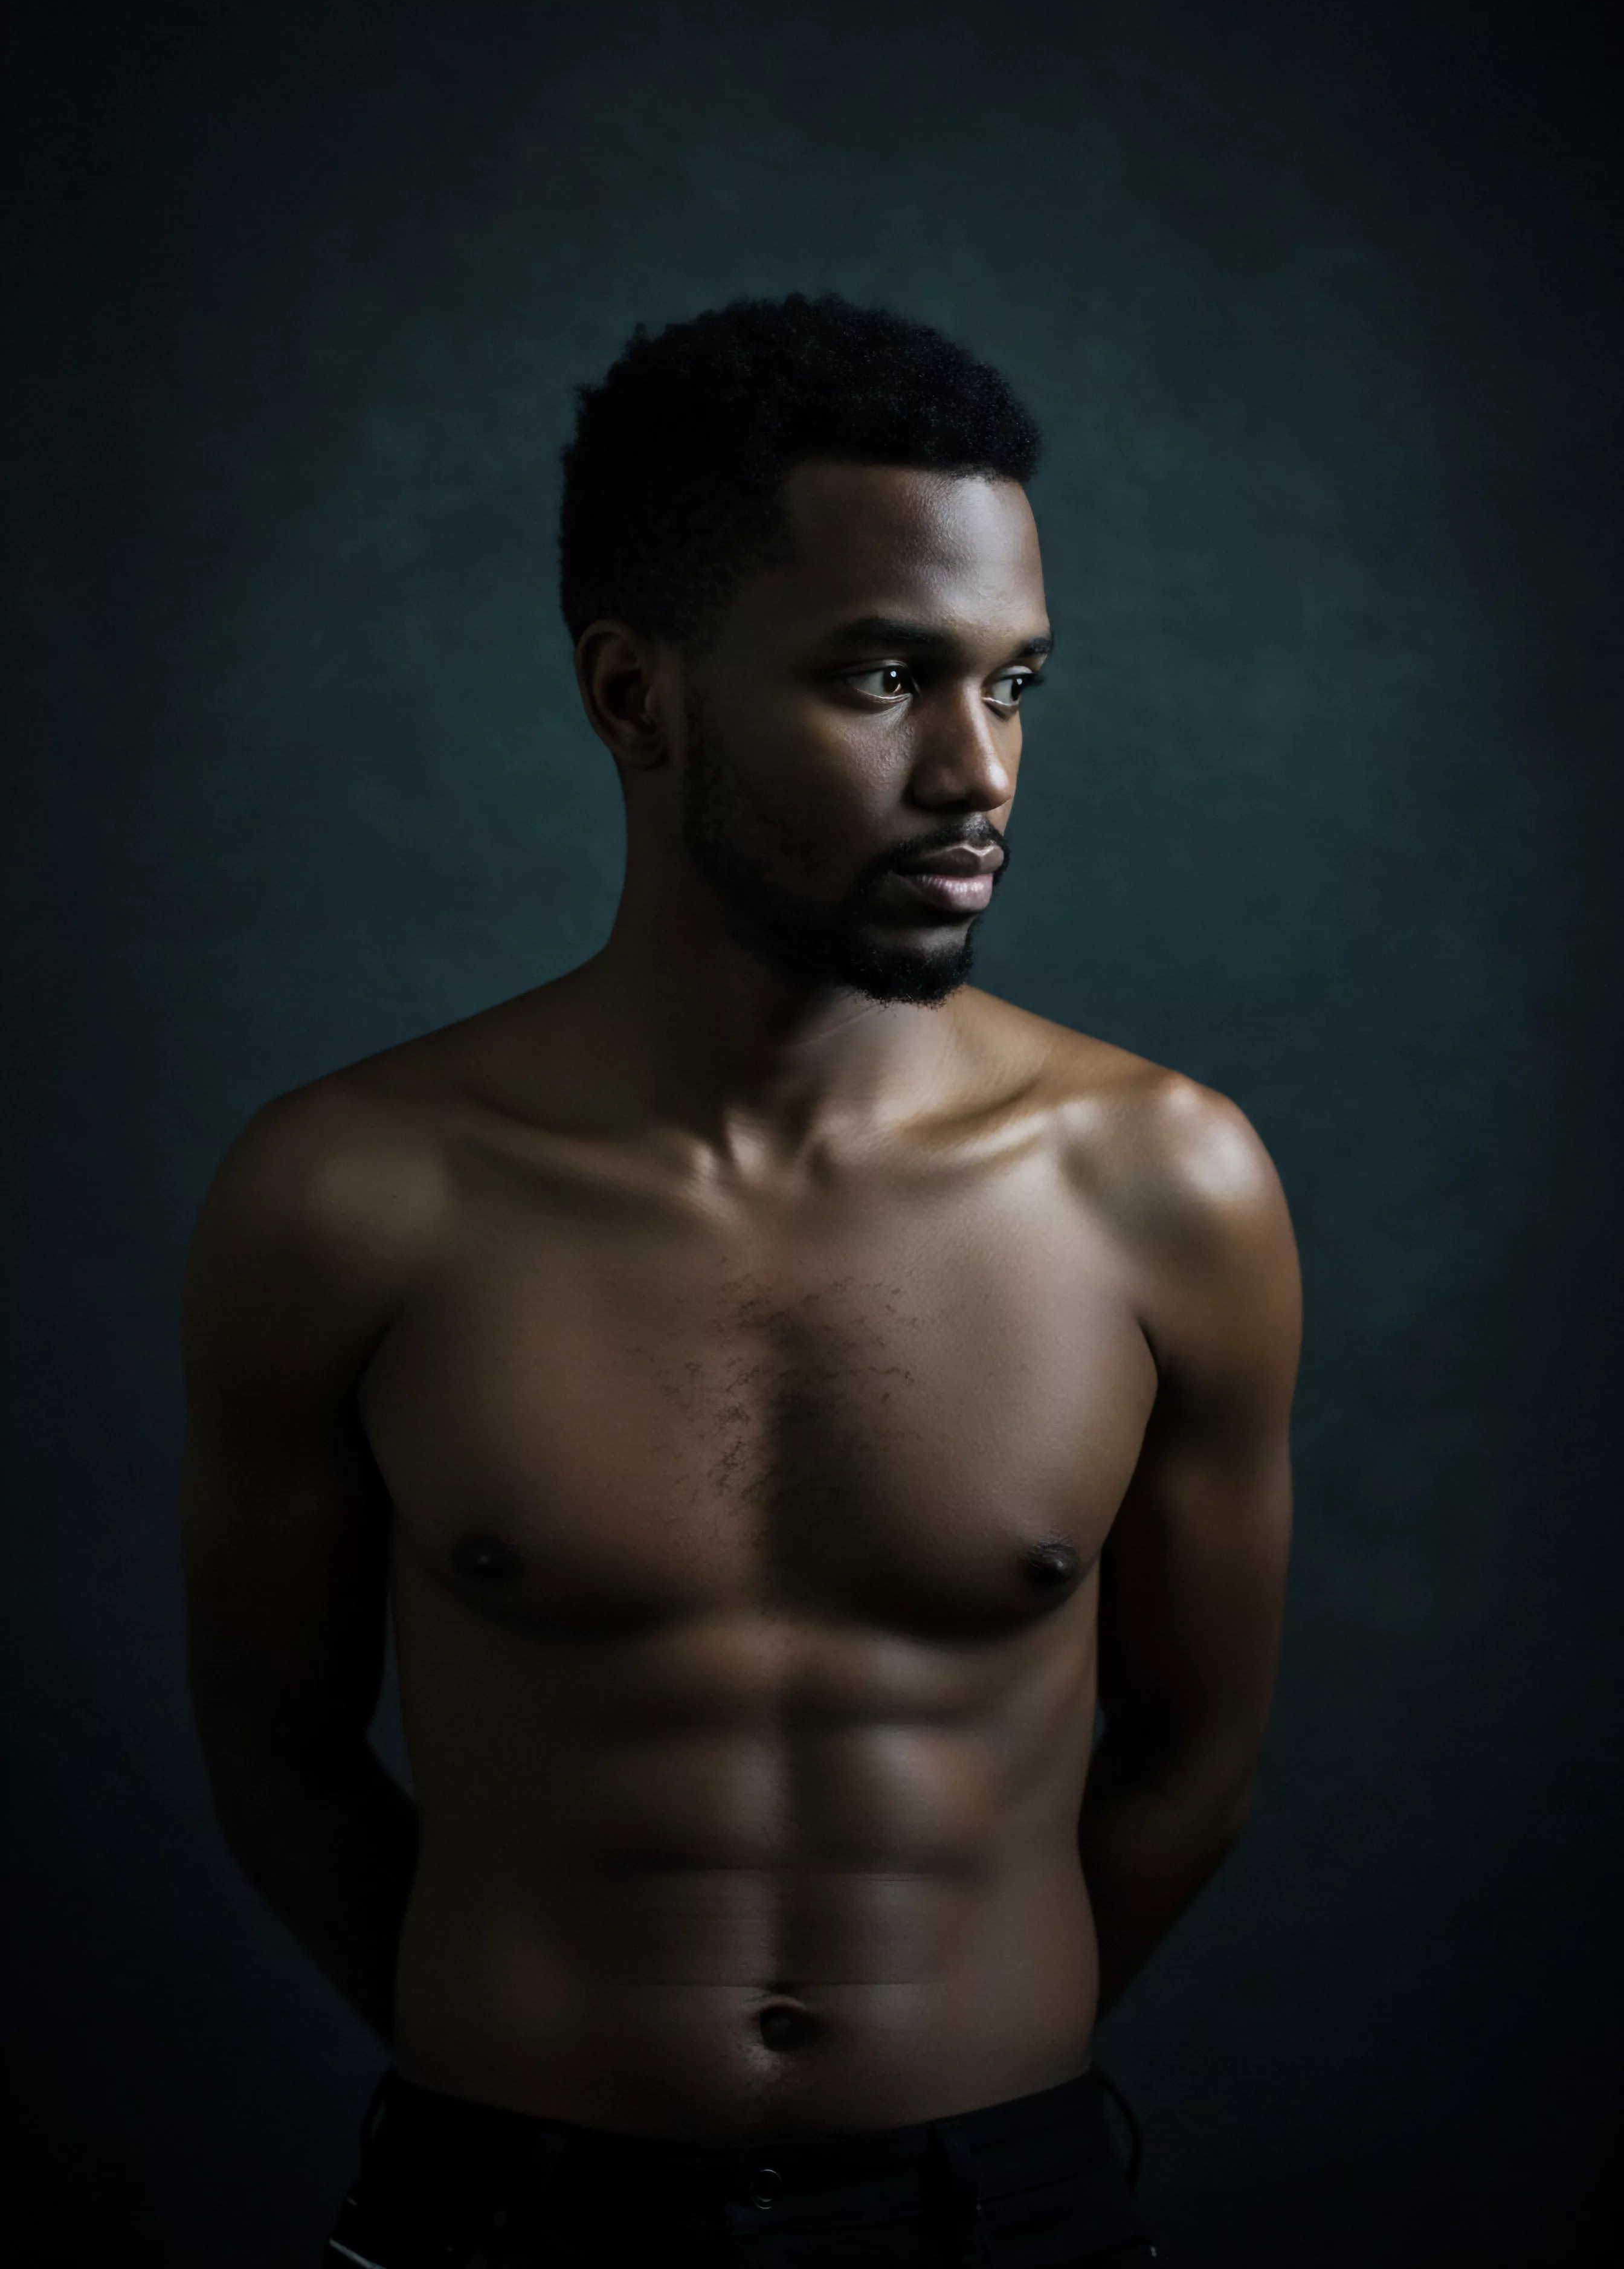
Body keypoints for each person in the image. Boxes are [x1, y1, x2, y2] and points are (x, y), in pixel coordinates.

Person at [181, 295, 1300, 2268]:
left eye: (1015, 683)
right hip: (508, 2207)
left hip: (998, 2211)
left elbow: (1196, 1760)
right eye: (885, 678)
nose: (980, 773)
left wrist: (958, 2085)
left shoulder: (1165, 1185)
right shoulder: (351, 1197)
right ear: (637, 698)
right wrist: (552, 2102)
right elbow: (277, 1766)